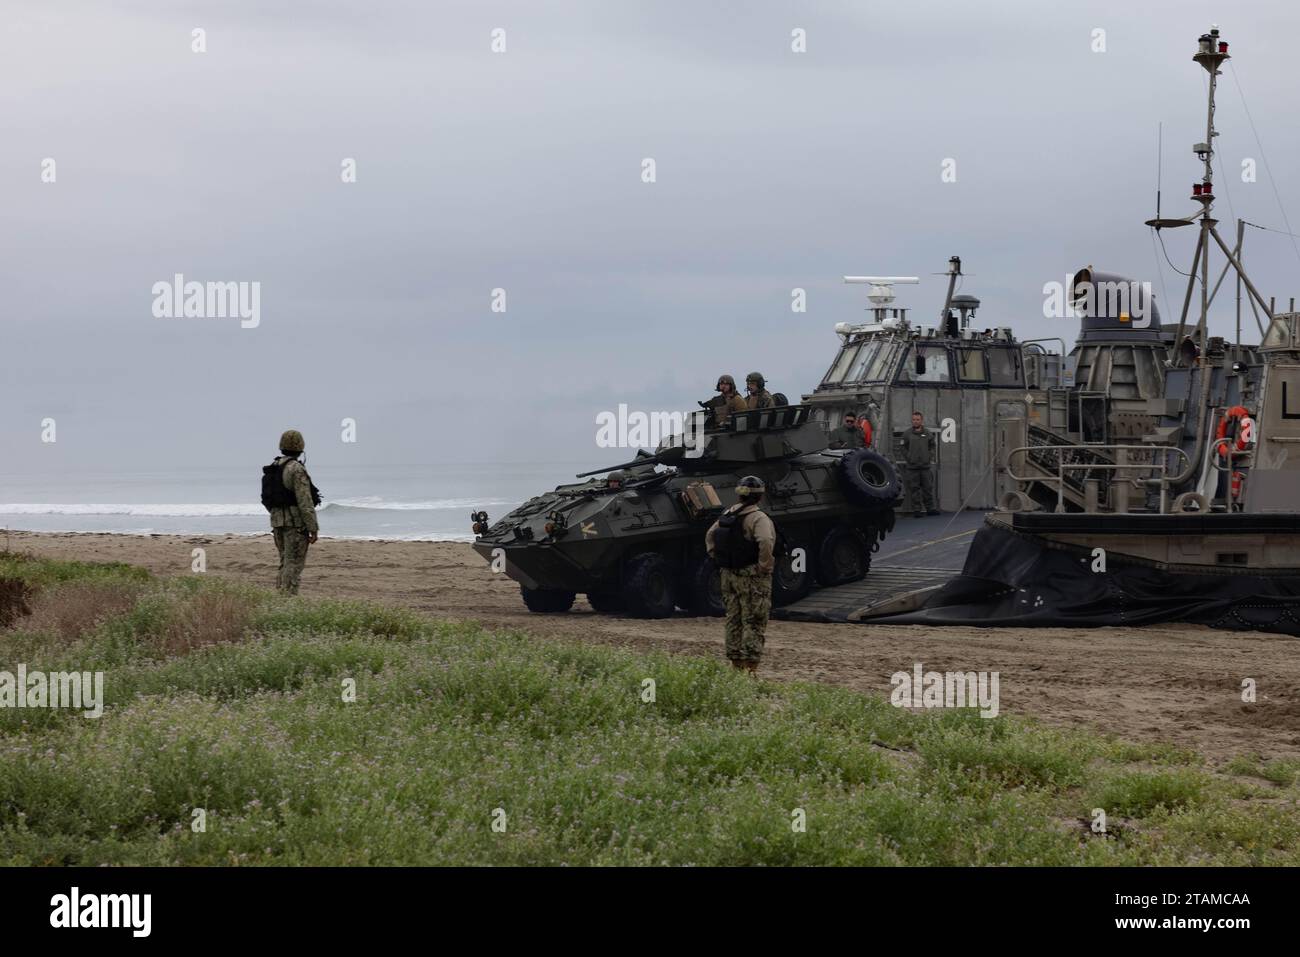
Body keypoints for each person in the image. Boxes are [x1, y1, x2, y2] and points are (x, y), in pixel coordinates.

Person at [705, 475, 776, 673]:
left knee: (733, 618)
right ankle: (751, 668)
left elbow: (710, 536)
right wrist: (765, 566)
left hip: (729, 574)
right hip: (752, 575)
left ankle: (735, 665)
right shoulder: (758, 517)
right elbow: (766, 541)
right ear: (760, 496)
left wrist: (717, 558)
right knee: (754, 619)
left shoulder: (728, 513)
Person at [267, 429, 319, 594]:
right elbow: (305, 502)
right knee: (294, 564)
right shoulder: (296, 469)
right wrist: (313, 528)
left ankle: (280, 598)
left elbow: (268, 499)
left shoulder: (275, 466)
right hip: (295, 525)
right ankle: (287, 599)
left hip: (277, 522)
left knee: (284, 562)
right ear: (300, 447)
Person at [898, 411, 939, 517]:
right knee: (914, 489)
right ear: (912, 420)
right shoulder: (907, 434)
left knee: (928, 488)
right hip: (912, 467)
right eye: (914, 420)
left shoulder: (928, 433)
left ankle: (930, 509)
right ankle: (917, 510)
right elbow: (902, 447)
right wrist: (909, 458)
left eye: (918, 419)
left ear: (921, 420)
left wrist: (929, 456)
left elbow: (933, 446)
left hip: (925, 467)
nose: (915, 421)